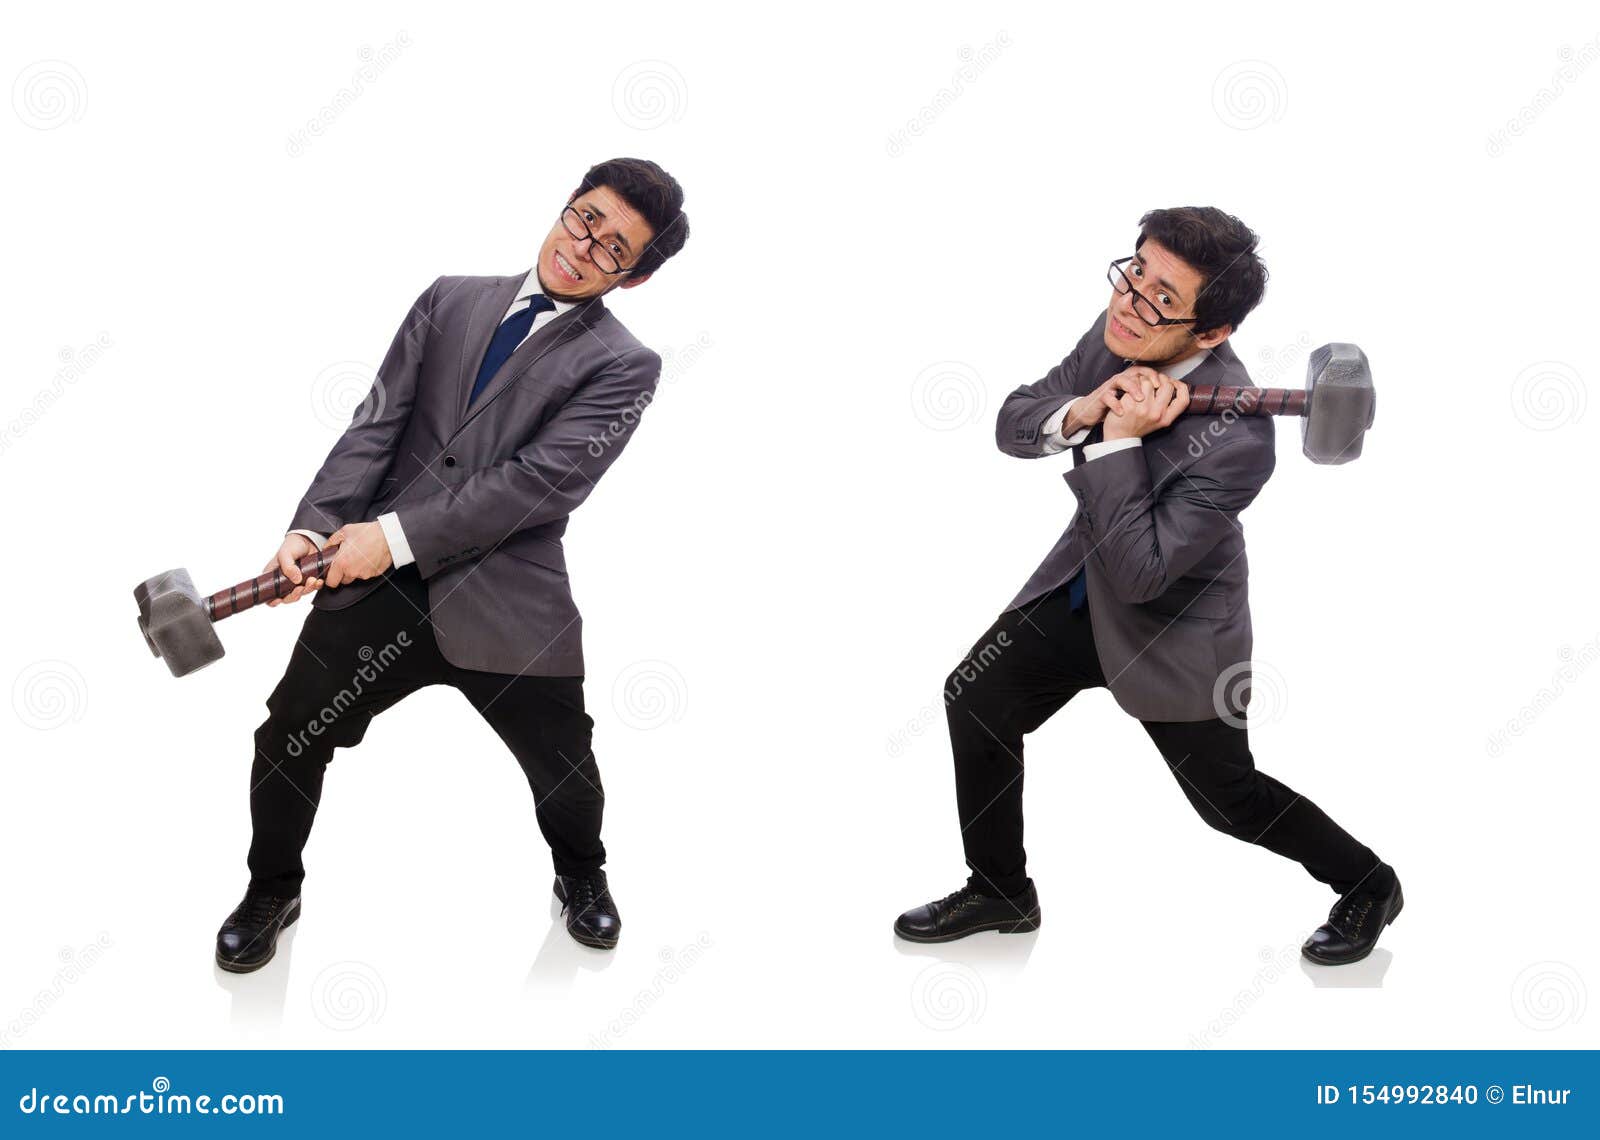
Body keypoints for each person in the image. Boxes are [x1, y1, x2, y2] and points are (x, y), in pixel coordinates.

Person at [215, 157, 689, 972]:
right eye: (585, 219)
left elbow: (538, 484)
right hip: (371, 582)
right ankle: (271, 888)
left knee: (564, 765)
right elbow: (376, 424)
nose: (583, 248)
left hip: (507, 598)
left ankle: (582, 875)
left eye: (614, 250)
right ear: (566, 205)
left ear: (635, 278)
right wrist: (314, 526)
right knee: (289, 735)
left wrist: (389, 534)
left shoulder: (624, 364)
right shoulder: (449, 298)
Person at [893, 207, 1401, 965]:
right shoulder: (1116, 338)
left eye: (1162, 296)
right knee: (976, 696)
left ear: (1211, 333)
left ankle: (1369, 882)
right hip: (1079, 589)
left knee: (1228, 801)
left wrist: (1118, 442)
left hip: (1174, 626)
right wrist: (1086, 411)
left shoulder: (1242, 444)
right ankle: (1001, 889)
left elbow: (1143, 574)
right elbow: (1013, 422)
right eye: (1134, 273)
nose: (1130, 303)